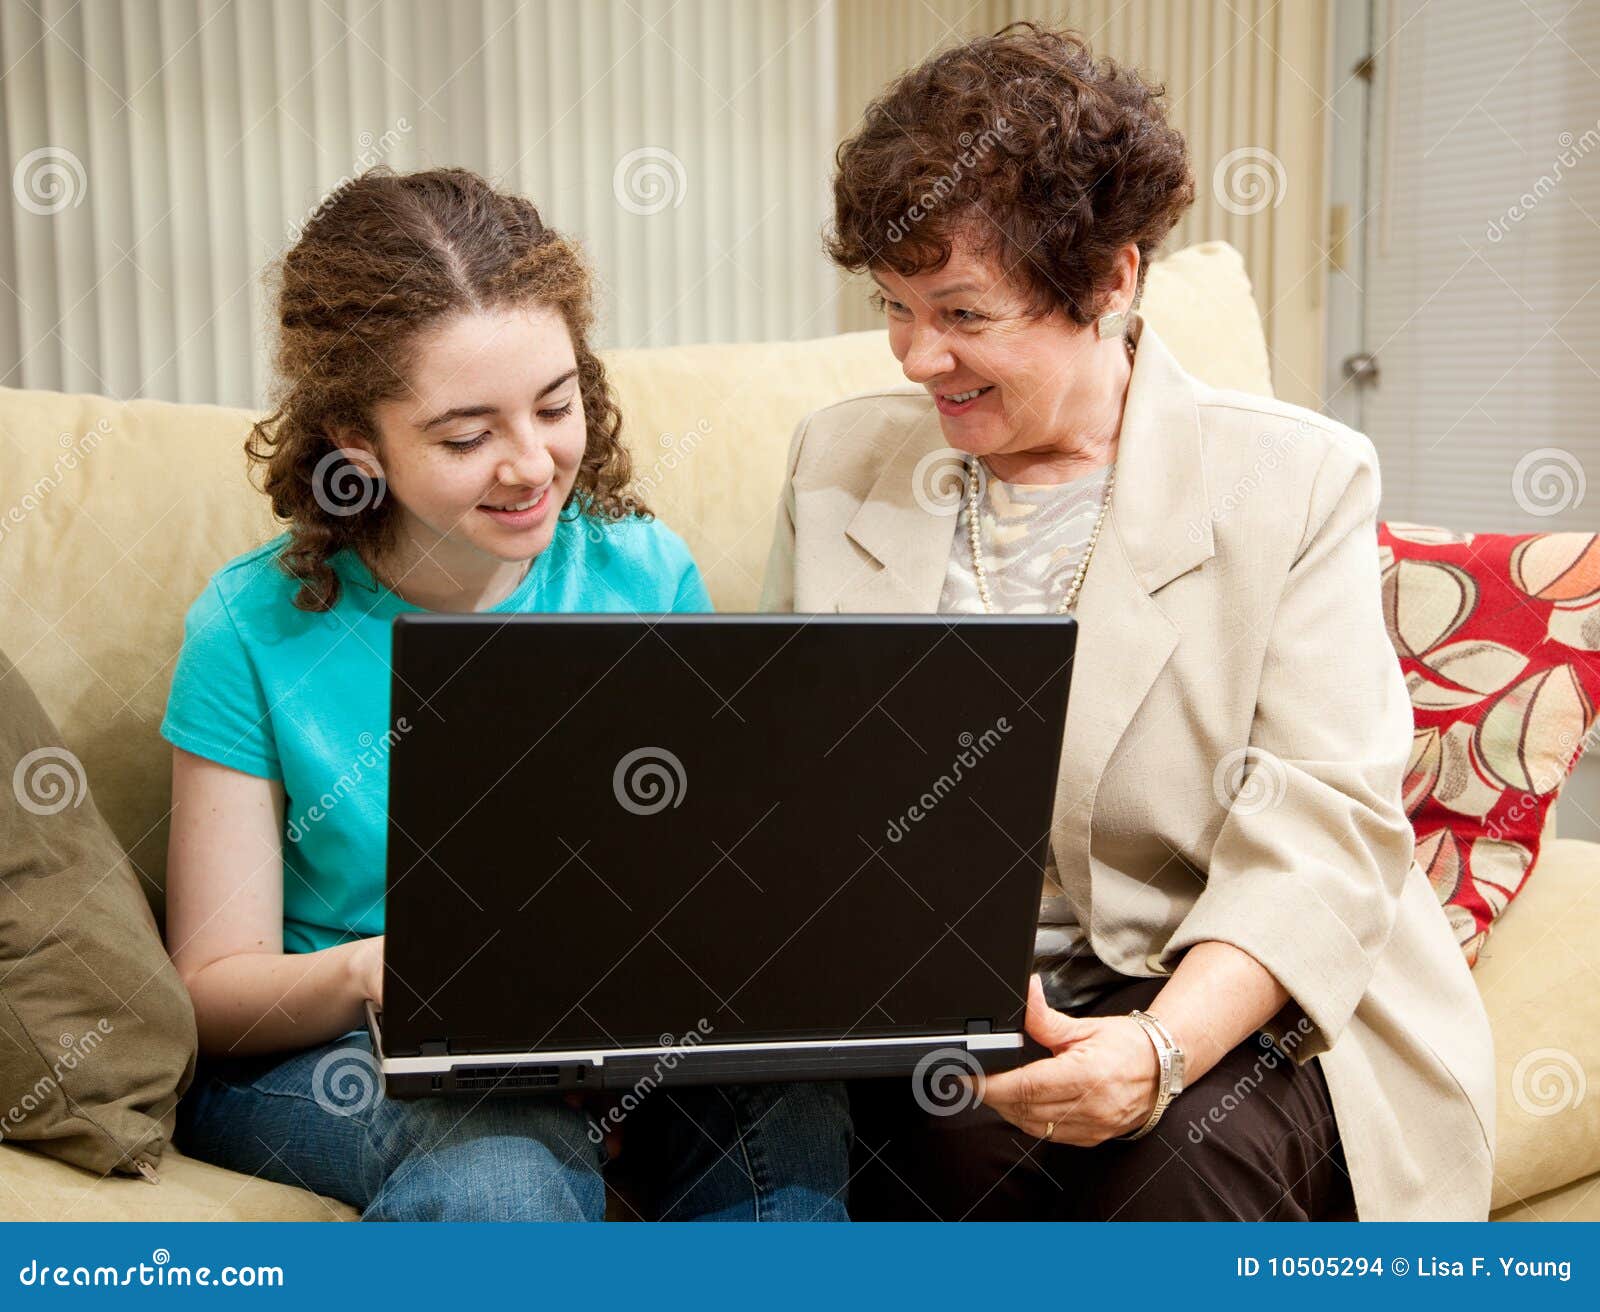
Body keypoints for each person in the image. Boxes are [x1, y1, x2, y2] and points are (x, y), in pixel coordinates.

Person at [762, 24, 1493, 1221]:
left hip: (1243, 994)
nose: (914, 356)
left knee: (1168, 1170)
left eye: (960, 312)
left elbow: (1322, 832)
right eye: (893, 306)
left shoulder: (1292, 480)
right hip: (970, 1008)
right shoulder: (839, 463)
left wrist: (1157, 1049)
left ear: (1109, 280)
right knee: (943, 1152)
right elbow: (802, 777)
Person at [164, 167, 850, 1222]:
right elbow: (210, 991)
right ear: (358, 439)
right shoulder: (248, 629)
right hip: (333, 1051)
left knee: (791, 1096)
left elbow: (706, 870)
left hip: (610, 1034)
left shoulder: (641, 572)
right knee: (500, 1156)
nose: (531, 464)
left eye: (555, 403)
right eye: (465, 435)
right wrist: (377, 971)